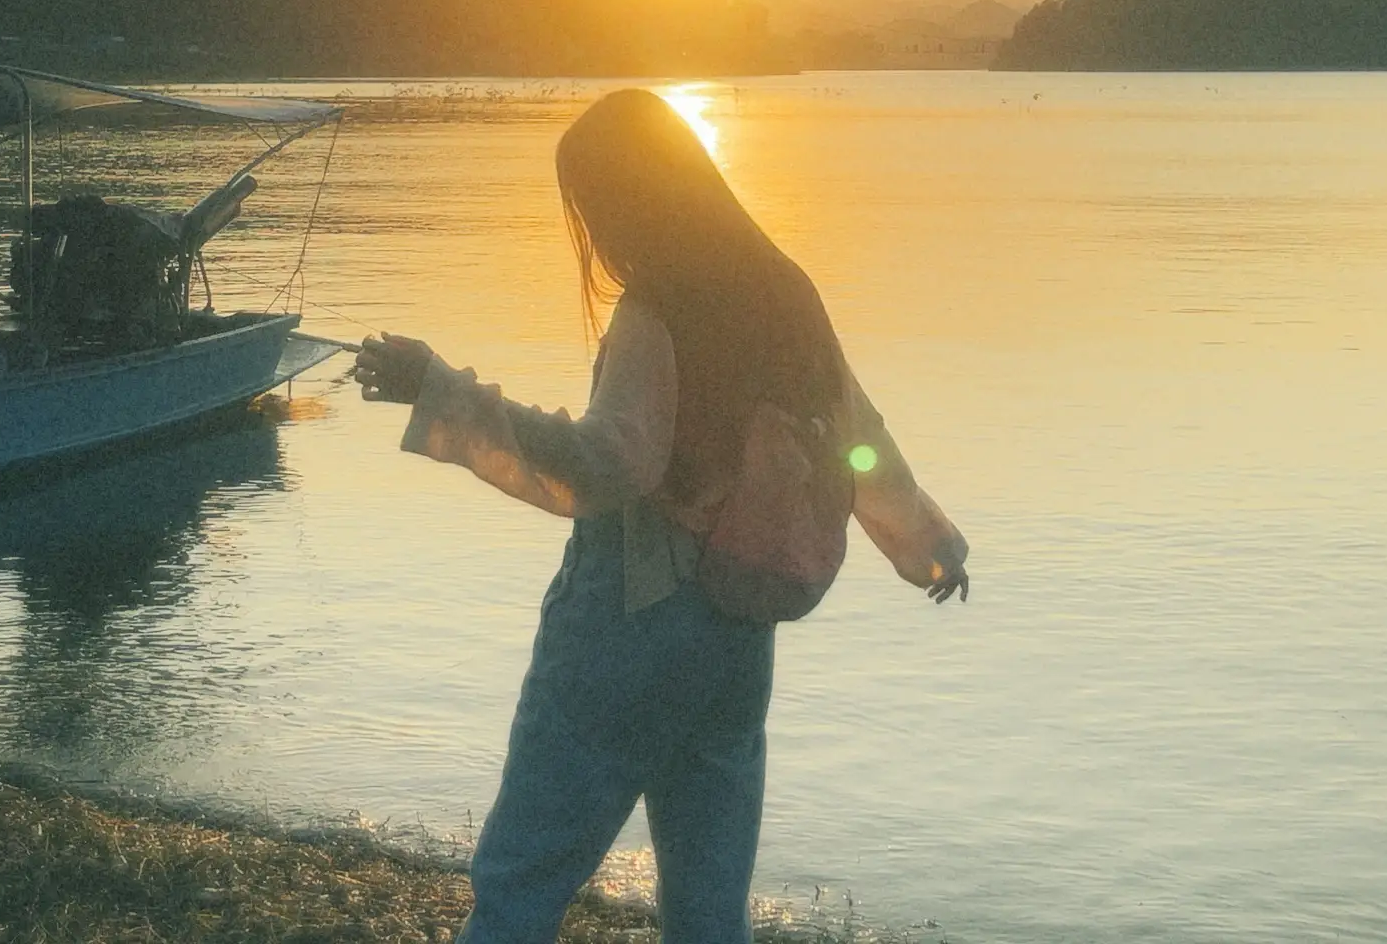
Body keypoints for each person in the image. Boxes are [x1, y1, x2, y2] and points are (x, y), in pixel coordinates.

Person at [356, 87, 968, 944]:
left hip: (624, 631)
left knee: (521, 884)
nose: (594, 233)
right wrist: (929, 545)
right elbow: (858, 440)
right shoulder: (786, 294)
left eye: (592, 207)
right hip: (734, 637)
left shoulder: (656, 310)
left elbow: (612, 463)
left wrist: (439, 390)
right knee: (710, 906)